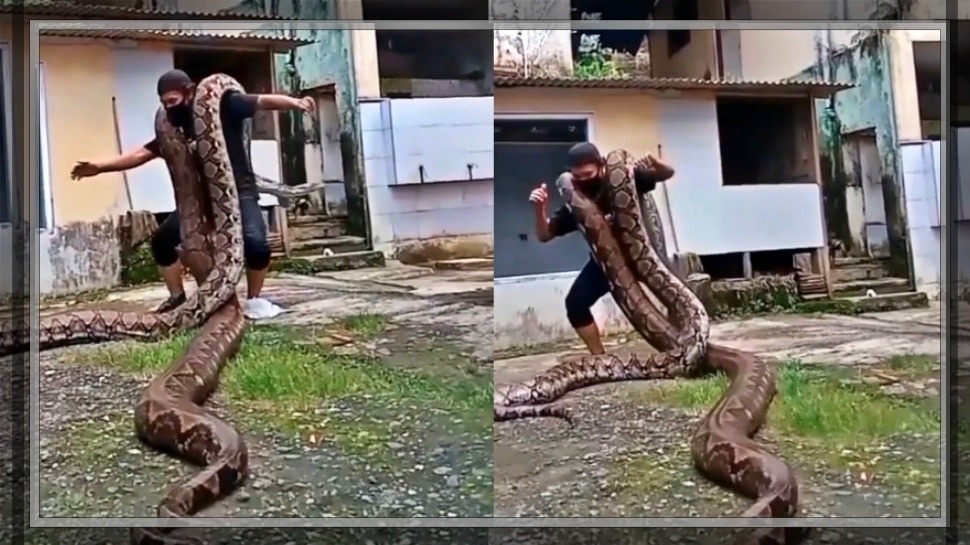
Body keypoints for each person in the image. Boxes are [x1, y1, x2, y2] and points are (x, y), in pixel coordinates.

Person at [71, 69, 315, 318]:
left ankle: (254, 299)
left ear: (189, 93)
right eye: (164, 103)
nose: (169, 108)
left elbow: (262, 101)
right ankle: (176, 297)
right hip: (200, 197)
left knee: (256, 244)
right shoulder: (173, 127)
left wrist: (296, 103)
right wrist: (99, 167)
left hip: (239, 190)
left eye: (172, 101)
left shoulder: (226, 104)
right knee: (162, 242)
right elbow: (141, 154)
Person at [529, 142, 675, 356]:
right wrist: (539, 209)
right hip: (606, 262)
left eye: (588, 174)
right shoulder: (577, 201)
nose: (583, 180)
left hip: (645, 254)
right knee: (575, 304)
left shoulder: (623, 179)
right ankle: (600, 358)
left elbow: (667, 173)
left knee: (675, 295)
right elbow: (545, 235)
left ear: (602, 166)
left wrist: (654, 162)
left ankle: (681, 341)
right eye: (577, 176)